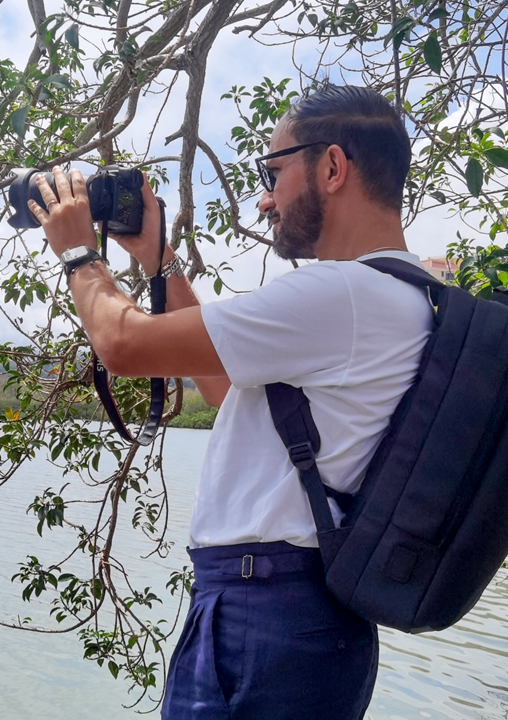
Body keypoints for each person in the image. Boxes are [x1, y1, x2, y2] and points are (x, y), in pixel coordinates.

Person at [27, 83, 431, 720]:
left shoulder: (342, 295)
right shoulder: (406, 293)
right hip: (308, 614)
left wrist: (79, 251)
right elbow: (227, 393)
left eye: (273, 173)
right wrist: (157, 261)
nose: (266, 199)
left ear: (331, 167)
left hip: (262, 612)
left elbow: (123, 346)